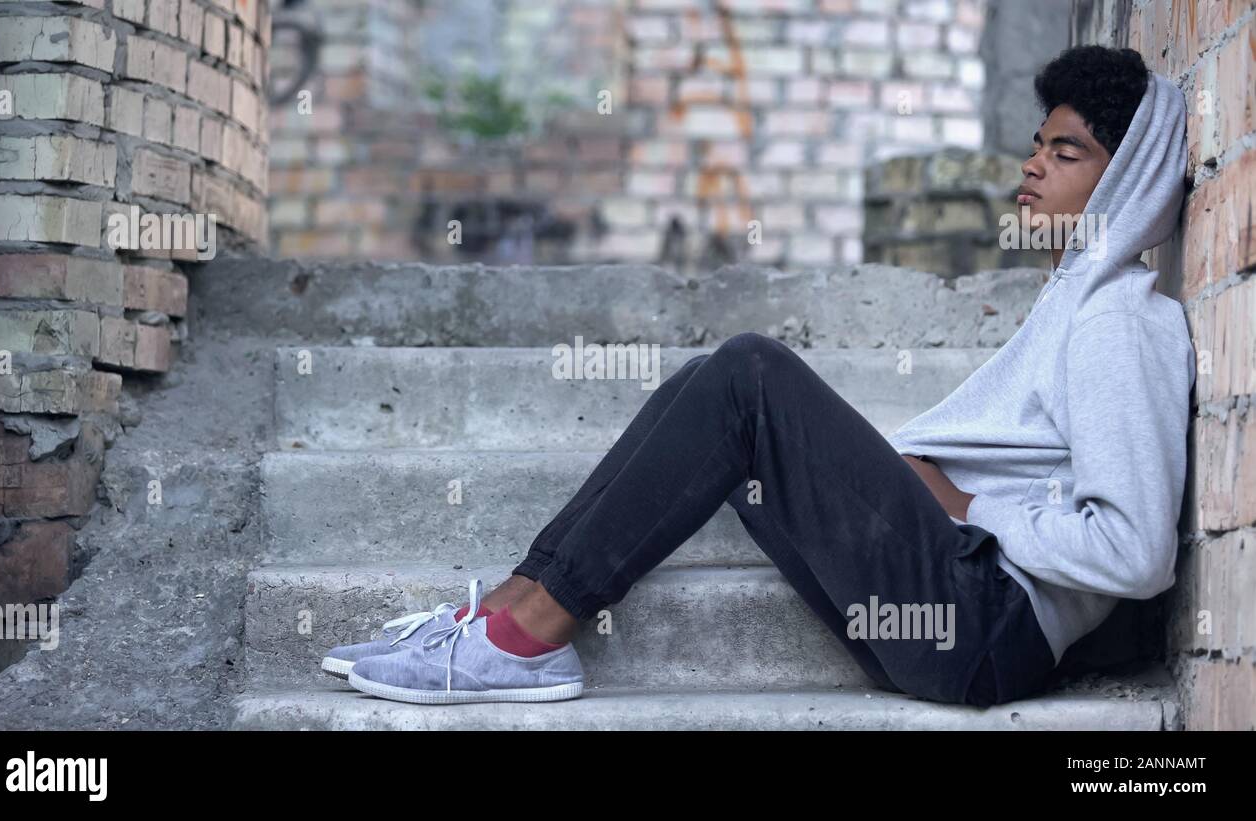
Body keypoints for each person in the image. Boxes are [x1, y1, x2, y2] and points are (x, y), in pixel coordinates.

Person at [328, 45, 1195, 709]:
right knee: (706, 380)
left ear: (1124, 179)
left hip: (979, 625)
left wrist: (968, 506)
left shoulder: (1119, 318)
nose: (1032, 166)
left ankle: (528, 637)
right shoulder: (1074, 301)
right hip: (954, 611)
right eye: (1038, 145)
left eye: (1067, 153)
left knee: (749, 373)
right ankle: (506, 609)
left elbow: (1137, 550)